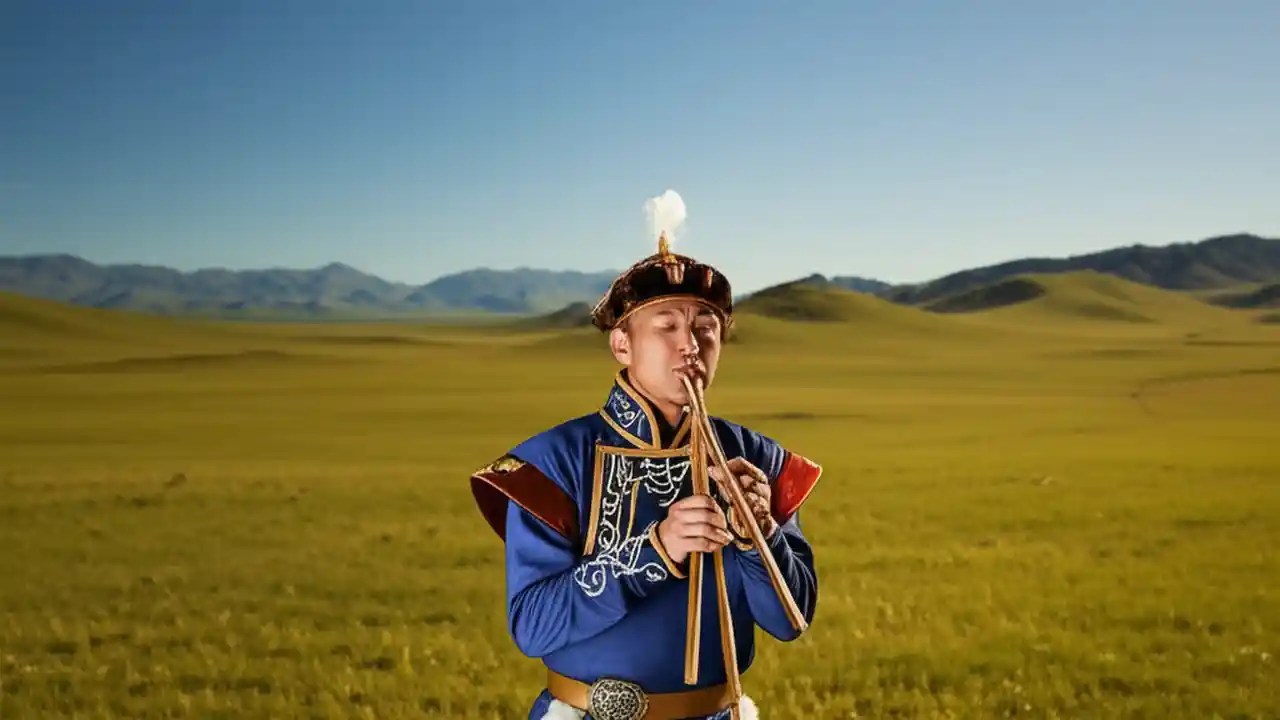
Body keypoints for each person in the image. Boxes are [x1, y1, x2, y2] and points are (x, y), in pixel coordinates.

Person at [470, 235, 822, 720]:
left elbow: (791, 621)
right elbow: (532, 626)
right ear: (622, 344)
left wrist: (757, 534)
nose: (690, 344)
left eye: (706, 327)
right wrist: (656, 549)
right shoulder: (553, 462)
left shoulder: (757, 458)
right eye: (666, 326)